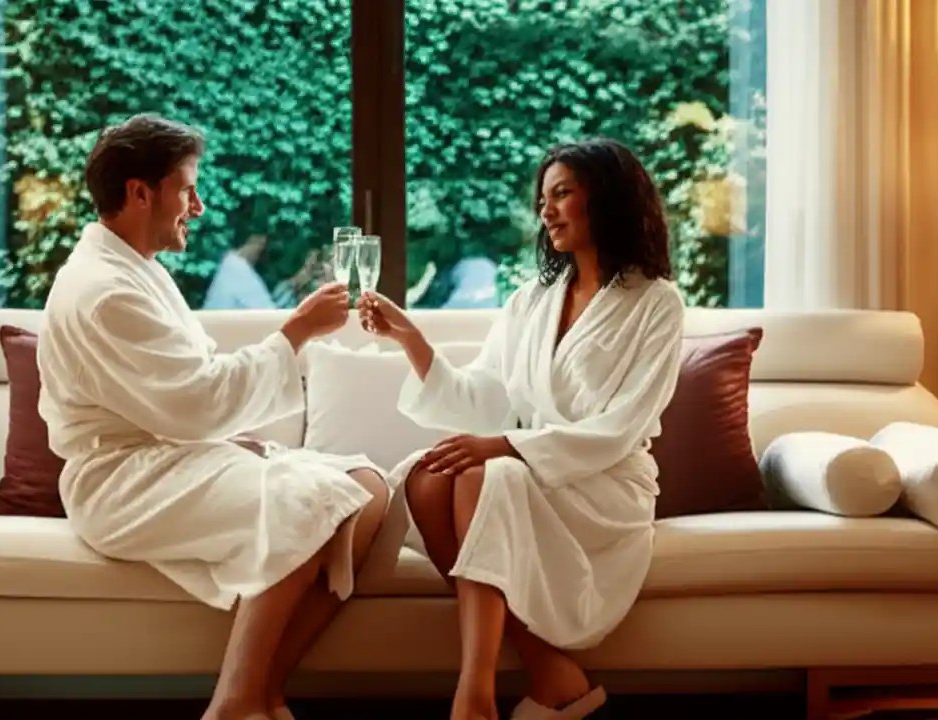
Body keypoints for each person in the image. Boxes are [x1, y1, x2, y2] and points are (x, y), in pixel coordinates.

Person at [36, 113, 391, 720]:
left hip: (170, 453)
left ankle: (256, 692)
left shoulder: (134, 270)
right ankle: (236, 703)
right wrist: (297, 331)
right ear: (140, 192)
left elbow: (182, 399)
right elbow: (196, 401)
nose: (197, 207)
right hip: (123, 480)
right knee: (309, 499)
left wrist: (235, 439)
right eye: (188, 188)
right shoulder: (105, 290)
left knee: (369, 487)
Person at [359, 138, 685, 720]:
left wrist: (507, 445)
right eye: (542, 199)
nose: (546, 210)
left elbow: (619, 427)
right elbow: (486, 400)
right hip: (530, 473)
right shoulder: (532, 300)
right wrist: (411, 339)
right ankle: (548, 673)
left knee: (489, 474)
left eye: (562, 194)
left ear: (604, 199)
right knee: (431, 478)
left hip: (601, 483)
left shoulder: (656, 303)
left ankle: (474, 692)